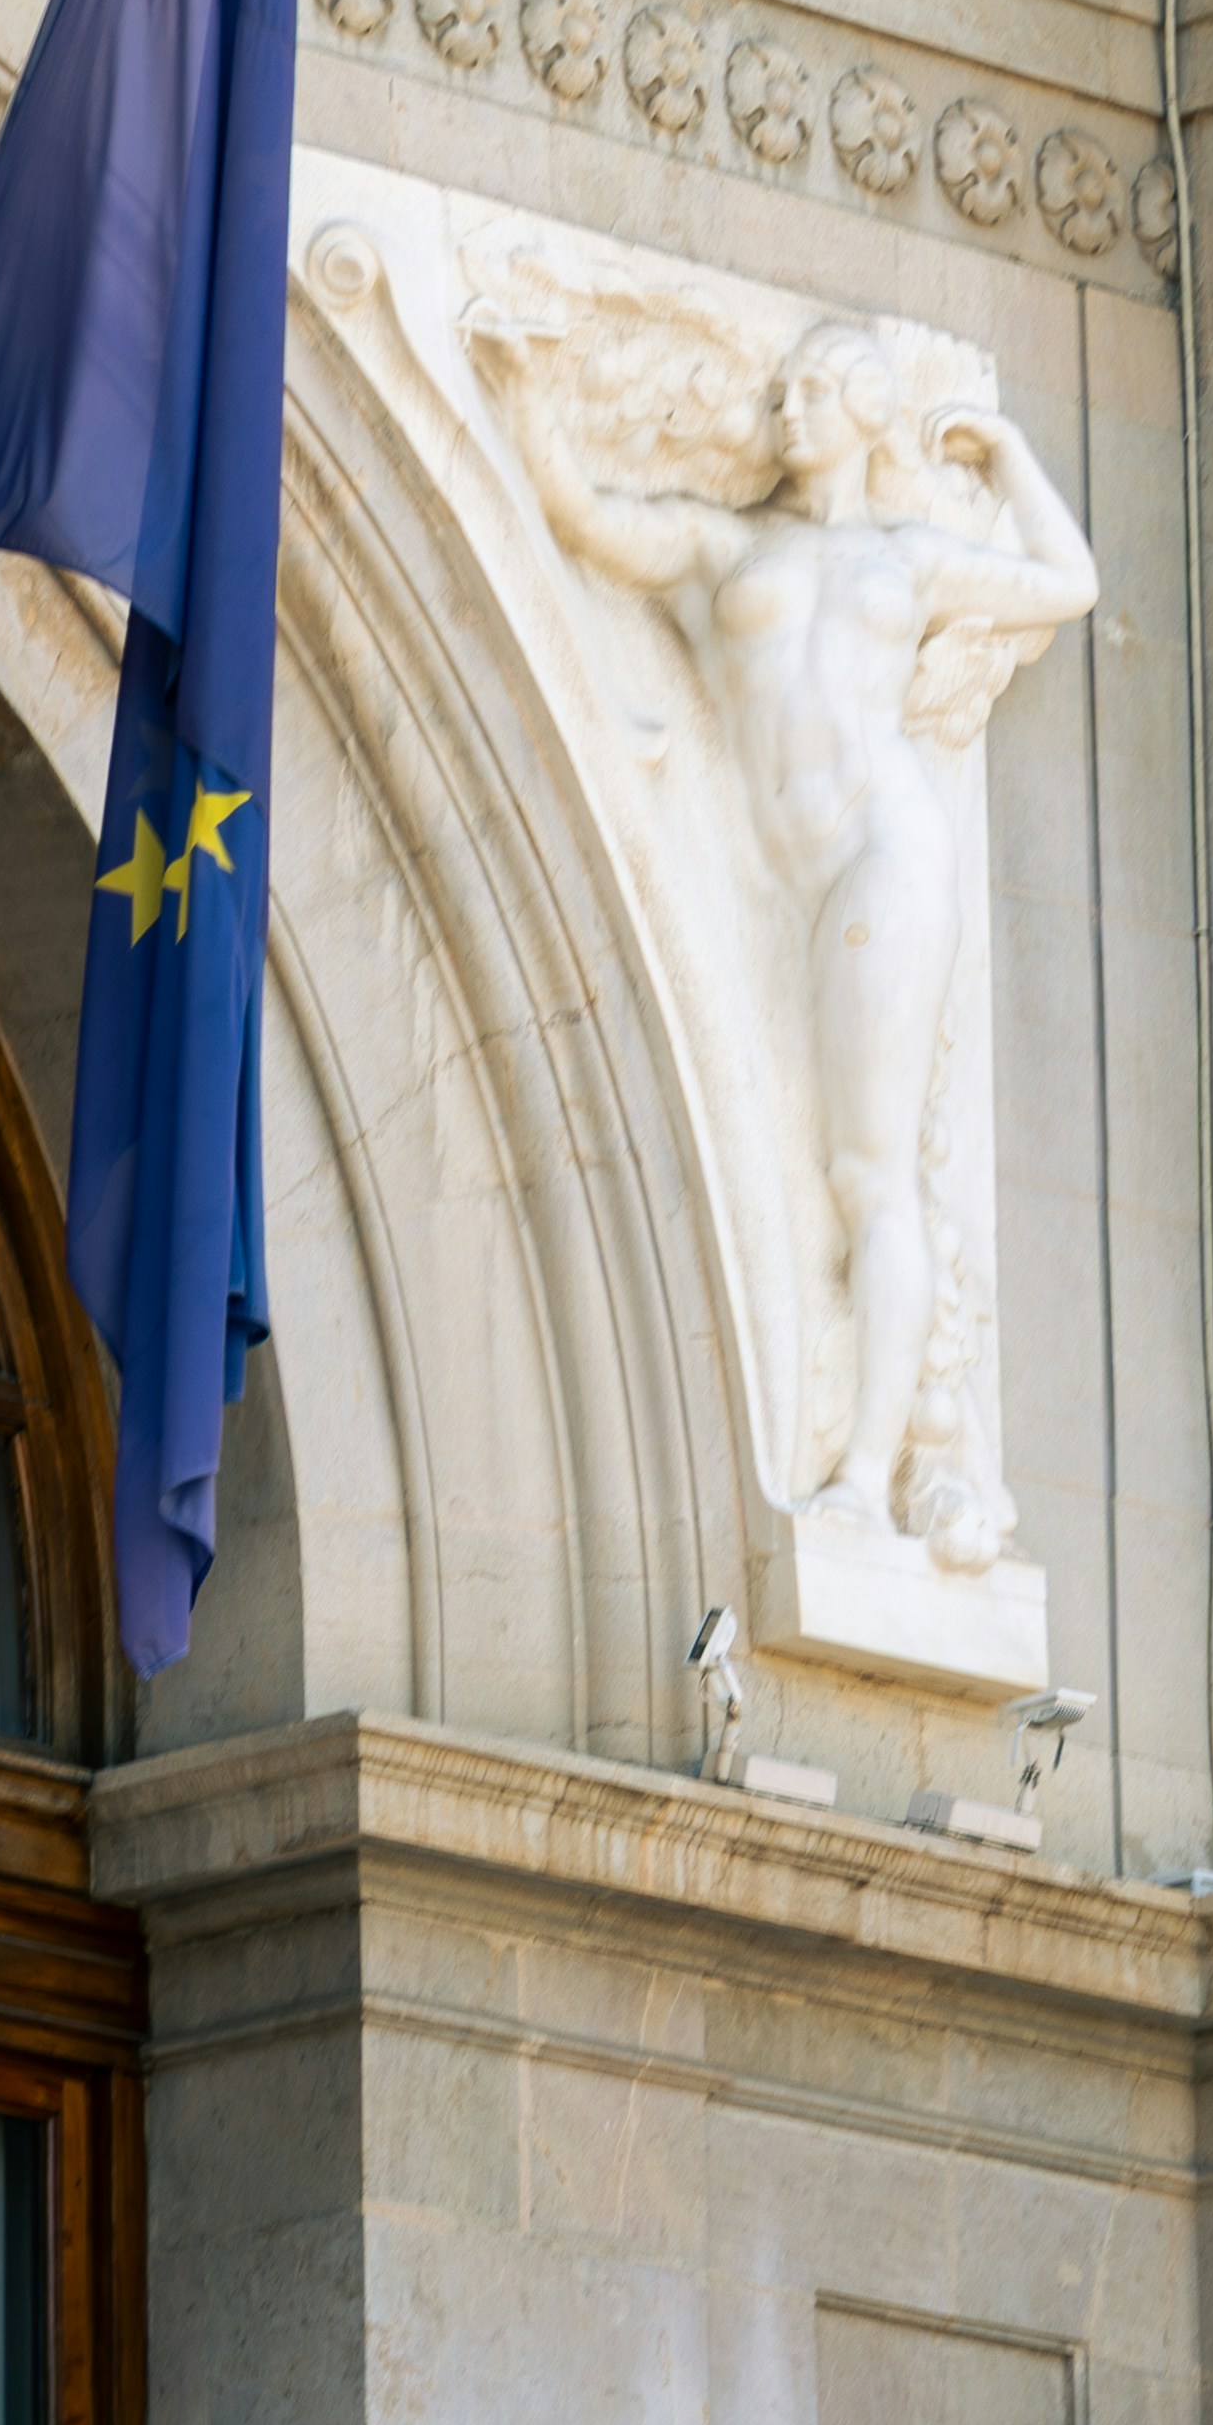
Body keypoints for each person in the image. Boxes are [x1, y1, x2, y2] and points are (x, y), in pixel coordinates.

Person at [478, 310, 1097, 1566]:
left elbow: (1069, 583)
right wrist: (526, 391)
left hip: (887, 852)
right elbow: (589, 520)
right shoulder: (725, 549)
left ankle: (869, 1475)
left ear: (867, 410)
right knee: (842, 1172)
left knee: (870, 1174)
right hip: (784, 881)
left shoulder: (911, 562)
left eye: (818, 390)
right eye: (785, 394)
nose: (788, 412)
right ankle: (876, 1453)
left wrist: (1009, 449)